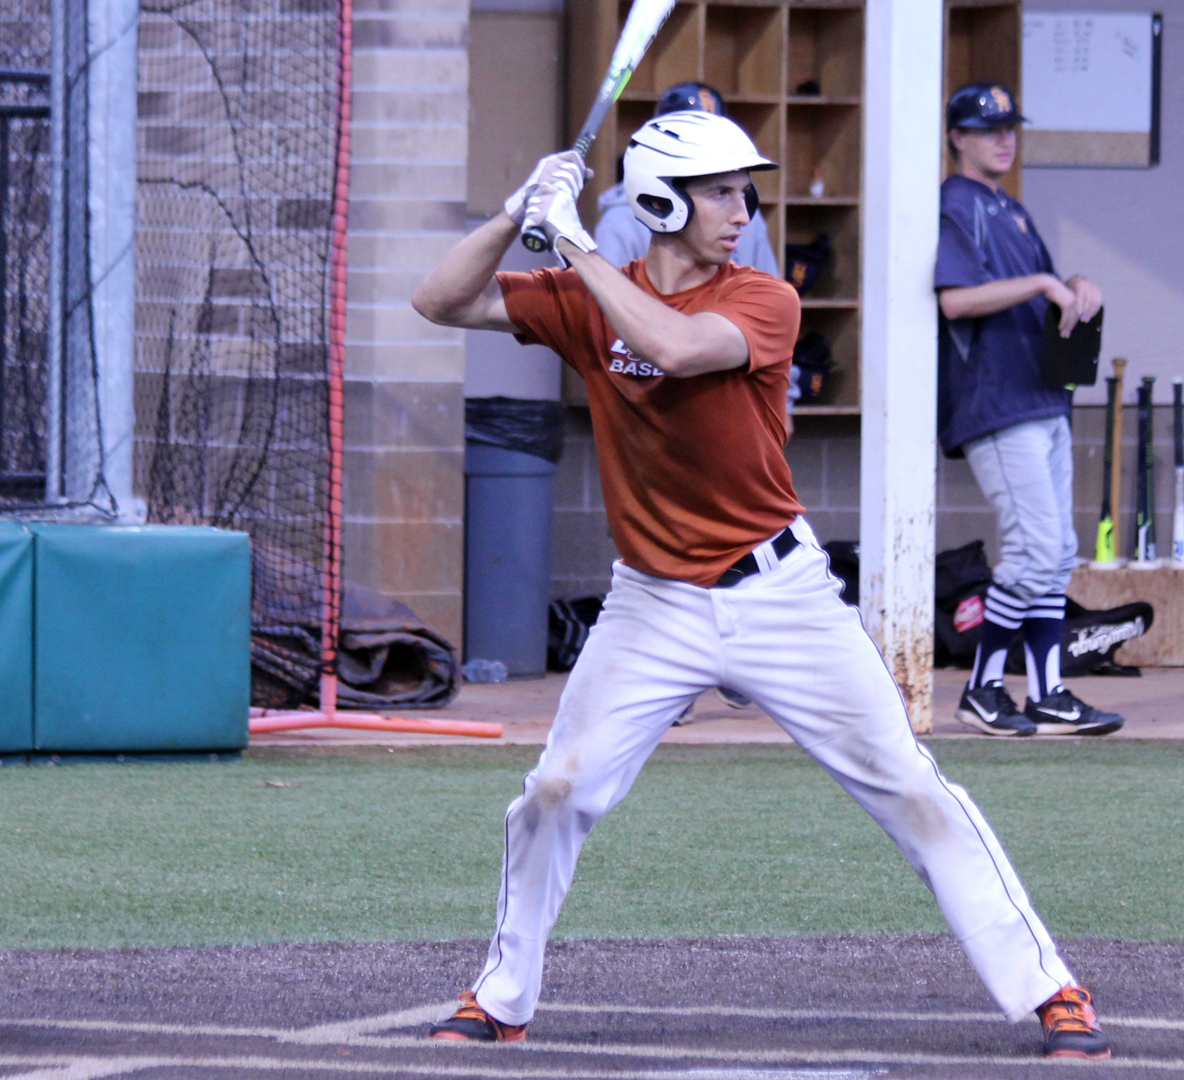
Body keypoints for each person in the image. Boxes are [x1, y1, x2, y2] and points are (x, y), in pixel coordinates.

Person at [410, 110, 1111, 1060]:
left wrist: (573, 240)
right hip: (652, 602)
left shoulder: (762, 299)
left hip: (781, 595)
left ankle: (1051, 990)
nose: (743, 207)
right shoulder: (588, 298)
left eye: (743, 188)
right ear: (661, 202)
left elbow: (676, 348)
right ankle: (501, 994)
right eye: (721, 191)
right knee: (556, 790)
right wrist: (509, 215)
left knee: (910, 786)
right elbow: (439, 302)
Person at [935, 82, 1123, 739]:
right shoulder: (956, 203)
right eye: (987, 128)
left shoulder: (1008, 207)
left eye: (1009, 126)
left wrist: (1070, 287)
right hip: (995, 399)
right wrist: (1047, 283)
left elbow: (1036, 297)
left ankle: (1047, 693)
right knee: (1036, 547)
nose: (1003, 138)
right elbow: (955, 300)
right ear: (957, 136)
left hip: (1041, 393)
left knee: (1057, 551)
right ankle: (983, 688)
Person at [592, 81, 778, 275]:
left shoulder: (746, 214)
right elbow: (607, 298)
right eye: (720, 194)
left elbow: (771, 290)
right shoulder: (621, 220)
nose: (741, 216)